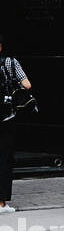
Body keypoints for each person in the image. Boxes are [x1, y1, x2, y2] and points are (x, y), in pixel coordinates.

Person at [0, 33, 33, 214]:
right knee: (4, 159)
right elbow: (27, 85)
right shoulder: (11, 62)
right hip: (7, 117)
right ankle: (1, 204)